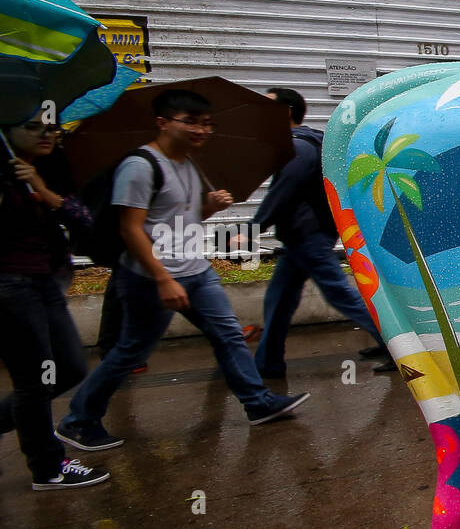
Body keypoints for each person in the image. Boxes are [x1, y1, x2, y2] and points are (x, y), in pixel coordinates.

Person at [57, 88, 309, 451]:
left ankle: (257, 403)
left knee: (229, 335)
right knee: (131, 350)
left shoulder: (190, 164)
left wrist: (210, 207)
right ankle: (78, 420)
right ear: (162, 122)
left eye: (206, 124)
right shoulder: (140, 167)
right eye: (190, 122)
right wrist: (163, 278)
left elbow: (185, 220)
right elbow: (131, 228)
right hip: (151, 277)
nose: (201, 131)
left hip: (196, 270)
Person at [253, 86, 394, 378]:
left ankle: (395, 346)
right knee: (278, 301)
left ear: (286, 112)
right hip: (300, 236)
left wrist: (254, 226)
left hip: (309, 235)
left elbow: (283, 191)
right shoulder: (303, 143)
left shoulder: (299, 147)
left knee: (341, 295)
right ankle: (268, 363)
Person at [0, 118, 109, 488]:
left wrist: (42, 190)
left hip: (46, 279)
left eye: (52, 128)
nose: (48, 135)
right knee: (33, 380)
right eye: (33, 127)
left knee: (69, 368)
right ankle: (48, 468)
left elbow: (83, 220)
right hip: (10, 285)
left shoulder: (49, 167)